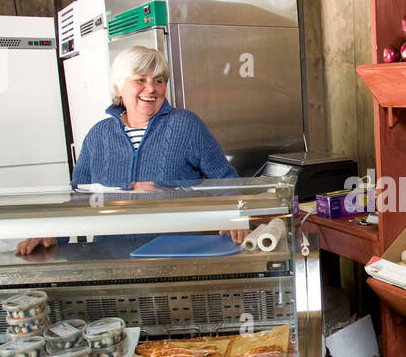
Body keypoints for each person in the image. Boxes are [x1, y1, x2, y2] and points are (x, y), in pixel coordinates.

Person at [16, 46, 244, 255]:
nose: (151, 88)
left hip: (177, 254)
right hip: (109, 257)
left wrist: (235, 218)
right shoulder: (98, 135)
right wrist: (52, 232)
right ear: (119, 86)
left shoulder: (186, 125)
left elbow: (226, 182)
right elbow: (80, 197)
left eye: (159, 80)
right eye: (140, 79)